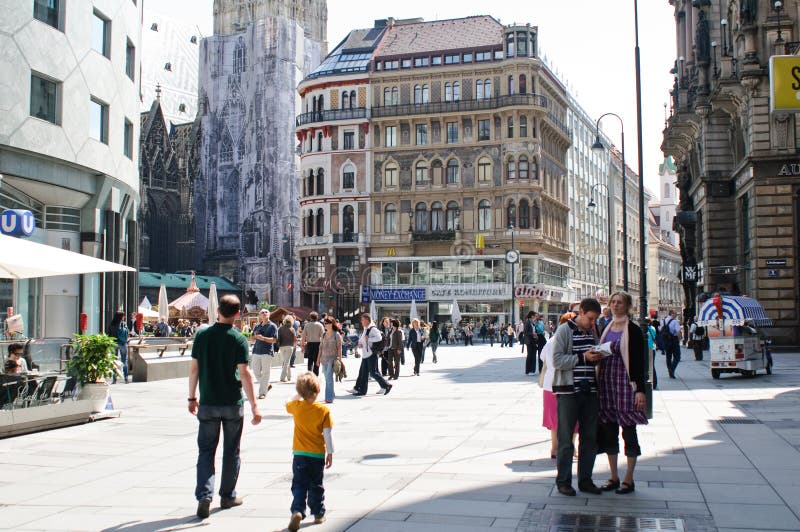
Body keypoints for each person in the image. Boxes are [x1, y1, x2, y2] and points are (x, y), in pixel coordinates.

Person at [188, 294, 261, 519]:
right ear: (238, 314)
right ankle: (227, 496)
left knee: (206, 451)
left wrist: (191, 397)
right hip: (231, 403)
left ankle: (204, 496)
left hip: (208, 403)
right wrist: (255, 406)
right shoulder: (238, 339)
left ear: (218, 311)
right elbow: (245, 373)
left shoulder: (202, 336)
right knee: (231, 451)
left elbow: (194, 369)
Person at [550, 297, 604, 496]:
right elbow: (556, 360)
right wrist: (583, 357)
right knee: (565, 439)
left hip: (589, 391)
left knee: (590, 438)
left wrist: (598, 356)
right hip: (568, 392)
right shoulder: (565, 330)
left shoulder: (593, 331)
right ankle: (563, 481)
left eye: (595, 319)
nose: (593, 323)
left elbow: (593, 356)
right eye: (590, 318)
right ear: (581, 312)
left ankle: (585, 480)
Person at [596, 291, 648, 495]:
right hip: (607, 384)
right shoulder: (605, 327)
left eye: (620, 303)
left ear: (627, 306)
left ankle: (629, 478)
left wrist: (640, 391)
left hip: (626, 385)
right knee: (609, 431)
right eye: (613, 302)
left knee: (629, 431)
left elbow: (639, 362)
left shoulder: (633, 330)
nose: (616, 305)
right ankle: (614, 476)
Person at [286, 372, 333, 531]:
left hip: (299, 454)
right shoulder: (323, 410)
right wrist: (330, 452)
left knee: (299, 484)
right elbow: (327, 434)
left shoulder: (296, 407)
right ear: (318, 390)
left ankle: (298, 510)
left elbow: (288, 402)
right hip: (317, 455)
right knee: (316, 485)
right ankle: (318, 513)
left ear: (300, 392)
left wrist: (298, 394)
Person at [541, 312, 578, 458]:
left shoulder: (551, 341)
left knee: (554, 418)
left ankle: (555, 448)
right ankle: (571, 447)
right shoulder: (573, 340)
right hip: (569, 384)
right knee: (573, 419)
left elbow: (542, 357)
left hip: (550, 384)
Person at [350, 313, 392, 395]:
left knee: (373, 373)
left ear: (366, 320)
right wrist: (361, 343)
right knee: (364, 373)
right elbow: (364, 339)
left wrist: (369, 338)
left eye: (362, 320)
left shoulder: (372, 329)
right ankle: (362, 391)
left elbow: (379, 338)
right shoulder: (366, 328)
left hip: (371, 354)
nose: (361, 321)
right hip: (366, 354)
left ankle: (386, 385)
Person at [251, 309, 277, 399]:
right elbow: (252, 337)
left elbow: (274, 340)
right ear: (260, 315)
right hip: (256, 351)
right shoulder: (257, 326)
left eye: (266, 312)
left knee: (266, 373)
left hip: (267, 351)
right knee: (255, 371)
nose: (264, 313)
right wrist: (255, 337)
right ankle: (267, 385)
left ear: (269, 314)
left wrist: (263, 338)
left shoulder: (273, 326)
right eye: (262, 312)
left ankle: (262, 393)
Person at [317, 317, 342, 403]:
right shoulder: (323, 334)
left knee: (329, 378)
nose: (325, 325)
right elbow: (320, 347)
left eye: (326, 323)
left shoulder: (336, 334)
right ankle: (332, 393)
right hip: (323, 359)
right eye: (324, 323)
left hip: (332, 359)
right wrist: (318, 359)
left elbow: (339, 348)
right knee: (326, 378)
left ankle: (328, 398)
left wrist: (340, 359)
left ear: (331, 324)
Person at [106, 312, 129, 384]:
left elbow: (109, 335)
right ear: (121, 317)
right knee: (124, 360)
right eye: (123, 316)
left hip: (114, 344)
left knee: (114, 361)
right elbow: (127, 334)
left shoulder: (112, 324)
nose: (124, 317)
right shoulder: (124, 324)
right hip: (123, 344)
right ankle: (126, 378)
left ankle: (114, 378)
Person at [300, 312, 324, 376]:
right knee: (317, 359)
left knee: (310, 359)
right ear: (317, 317)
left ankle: (309, 373)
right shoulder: (320, 325)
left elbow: (303, 336)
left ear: (310, 317)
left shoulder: (307, 325)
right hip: (318, 344)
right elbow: (323, 336)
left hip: (309, 343)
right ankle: (316, 374)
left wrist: (302, 346)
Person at [661, 310, 682, 378]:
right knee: (677, 356)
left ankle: (669, 370)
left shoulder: (663, 321)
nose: (676, 315)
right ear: (672, 314)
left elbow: (660, 330)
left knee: (668, 357)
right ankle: (672, 369)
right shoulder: (674, 321)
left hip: (666, 341)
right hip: (674, 340)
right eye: (675, 314)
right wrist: (679, 339)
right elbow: (678, 331)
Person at [278, 317, 298, 382]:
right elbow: (295, 339)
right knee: (287, 362)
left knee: (285, 362)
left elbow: (278, 338)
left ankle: (287, 377)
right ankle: (283, 378)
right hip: (290, 347)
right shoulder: (292, 329)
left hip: (281, 347)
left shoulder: (280, 328)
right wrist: (294, 346)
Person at [645, 319, 658, 390]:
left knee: (648, 366)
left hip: (647, 348)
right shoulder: (653, 328)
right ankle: (654, 383)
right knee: (652, 366)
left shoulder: (644, 329)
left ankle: (651, 382)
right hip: (652, 348)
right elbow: (654, 336)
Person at [524, 311, 538, 375]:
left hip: (533, 340)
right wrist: (533, 334)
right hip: (529, 341)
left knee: (533, 355)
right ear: (532, 316)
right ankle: (529, 370)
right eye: (535, 316)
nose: (535, 317)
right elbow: (526, 332)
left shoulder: (532, 322)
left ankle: (532, 370)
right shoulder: (527, 322)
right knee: (530, 355)